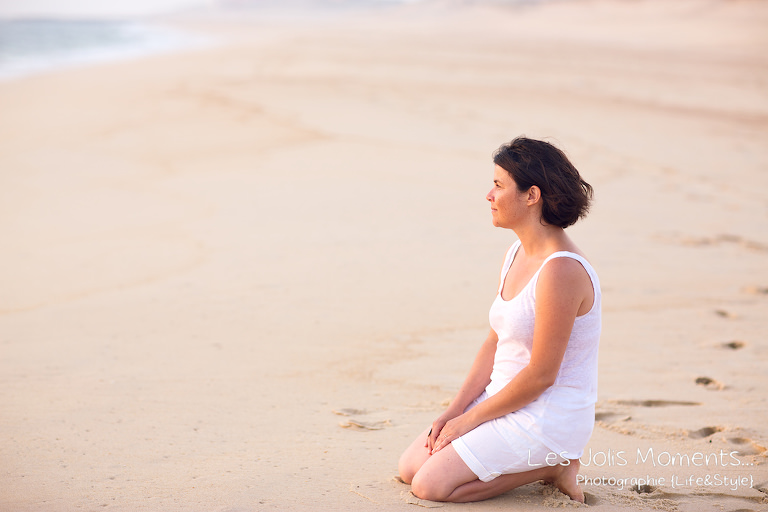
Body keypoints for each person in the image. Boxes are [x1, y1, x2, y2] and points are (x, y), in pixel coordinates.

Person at [398, 136, 600, 504]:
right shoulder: (515, 253)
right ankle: (529, 458)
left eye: (498, 185)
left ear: (531, 195)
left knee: (430, 487)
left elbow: (542, 376)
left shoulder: (561, 271)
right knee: (410, 467)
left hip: (545, 414)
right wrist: (456, 410)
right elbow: (495, 341)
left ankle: (555, 465)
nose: (489, 196)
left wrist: (470, 422)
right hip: (504, 397)